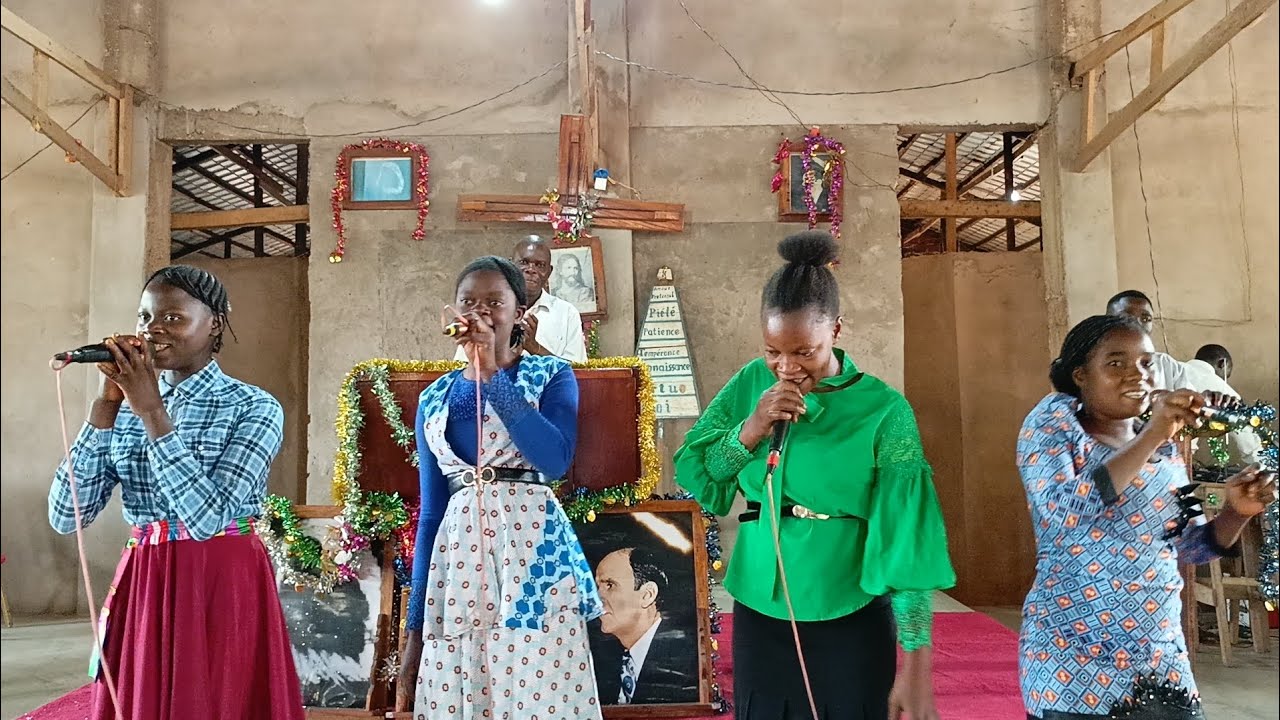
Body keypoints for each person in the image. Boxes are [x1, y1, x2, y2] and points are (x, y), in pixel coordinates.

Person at [674, 231, 955, 720]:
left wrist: (916, 667)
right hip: (761, 611)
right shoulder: (749, 384)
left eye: (804, 351)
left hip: (848, 614)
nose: (786, 367)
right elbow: (702, 474)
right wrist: (751, 430)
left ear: (837, 331)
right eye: (772, 351)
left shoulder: (885, 411)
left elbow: (907, 543)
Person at [47, 265, 304, 720]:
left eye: (173, 318)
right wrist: (107, 405)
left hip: (220, 577)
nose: (153, 330)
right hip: (145, 577)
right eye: (146, 317)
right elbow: (66, 515)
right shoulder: (122, 407)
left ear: (215, 324)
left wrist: (151, 411)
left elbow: (208, 520)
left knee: (216, 698)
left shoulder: (254, 407)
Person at [1017, 314, 1277, 720]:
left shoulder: (1166, 450)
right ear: (1081, 374)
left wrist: (1235, 512)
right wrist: (1153, 433)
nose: (1135, 375)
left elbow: (1190, 546)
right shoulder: (1055, 423)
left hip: (1158, 655)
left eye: (1145, 363)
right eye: (1115, 363)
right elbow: (1063, 511)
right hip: (1072, 661)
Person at [398, 256, 604, 718]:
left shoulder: (550, 376)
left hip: (534, 559)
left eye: (495, 302)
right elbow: (431, 513)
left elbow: (553, 460)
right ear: (452, 313)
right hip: (457, 566)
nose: (480, 313)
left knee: (537, 689)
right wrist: (414, 628)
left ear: (520, 313)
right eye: (468, 302)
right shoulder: (435, 396)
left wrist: (491, 372)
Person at [455, 237, 587, 363]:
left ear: (549, 271)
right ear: (511, 265)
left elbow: (578, 372)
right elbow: (463, 365)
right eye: (524, 262)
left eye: (540, 265)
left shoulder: (567, 313)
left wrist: (536, 349)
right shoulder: (487, 311)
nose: (531, 270)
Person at [593, 547, 698, 705]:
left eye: (609, 585)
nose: (595, 599)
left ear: (647, 595)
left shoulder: (687, 661)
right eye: (596, 587)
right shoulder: (602, 660)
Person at [1105, 290, 1190, 391]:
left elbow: (1190, 402)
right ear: (1107, 322)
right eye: (1126, 318)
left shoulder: (1167, 365)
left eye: (1145, 319)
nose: (1137, 324)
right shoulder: (1098, 362)